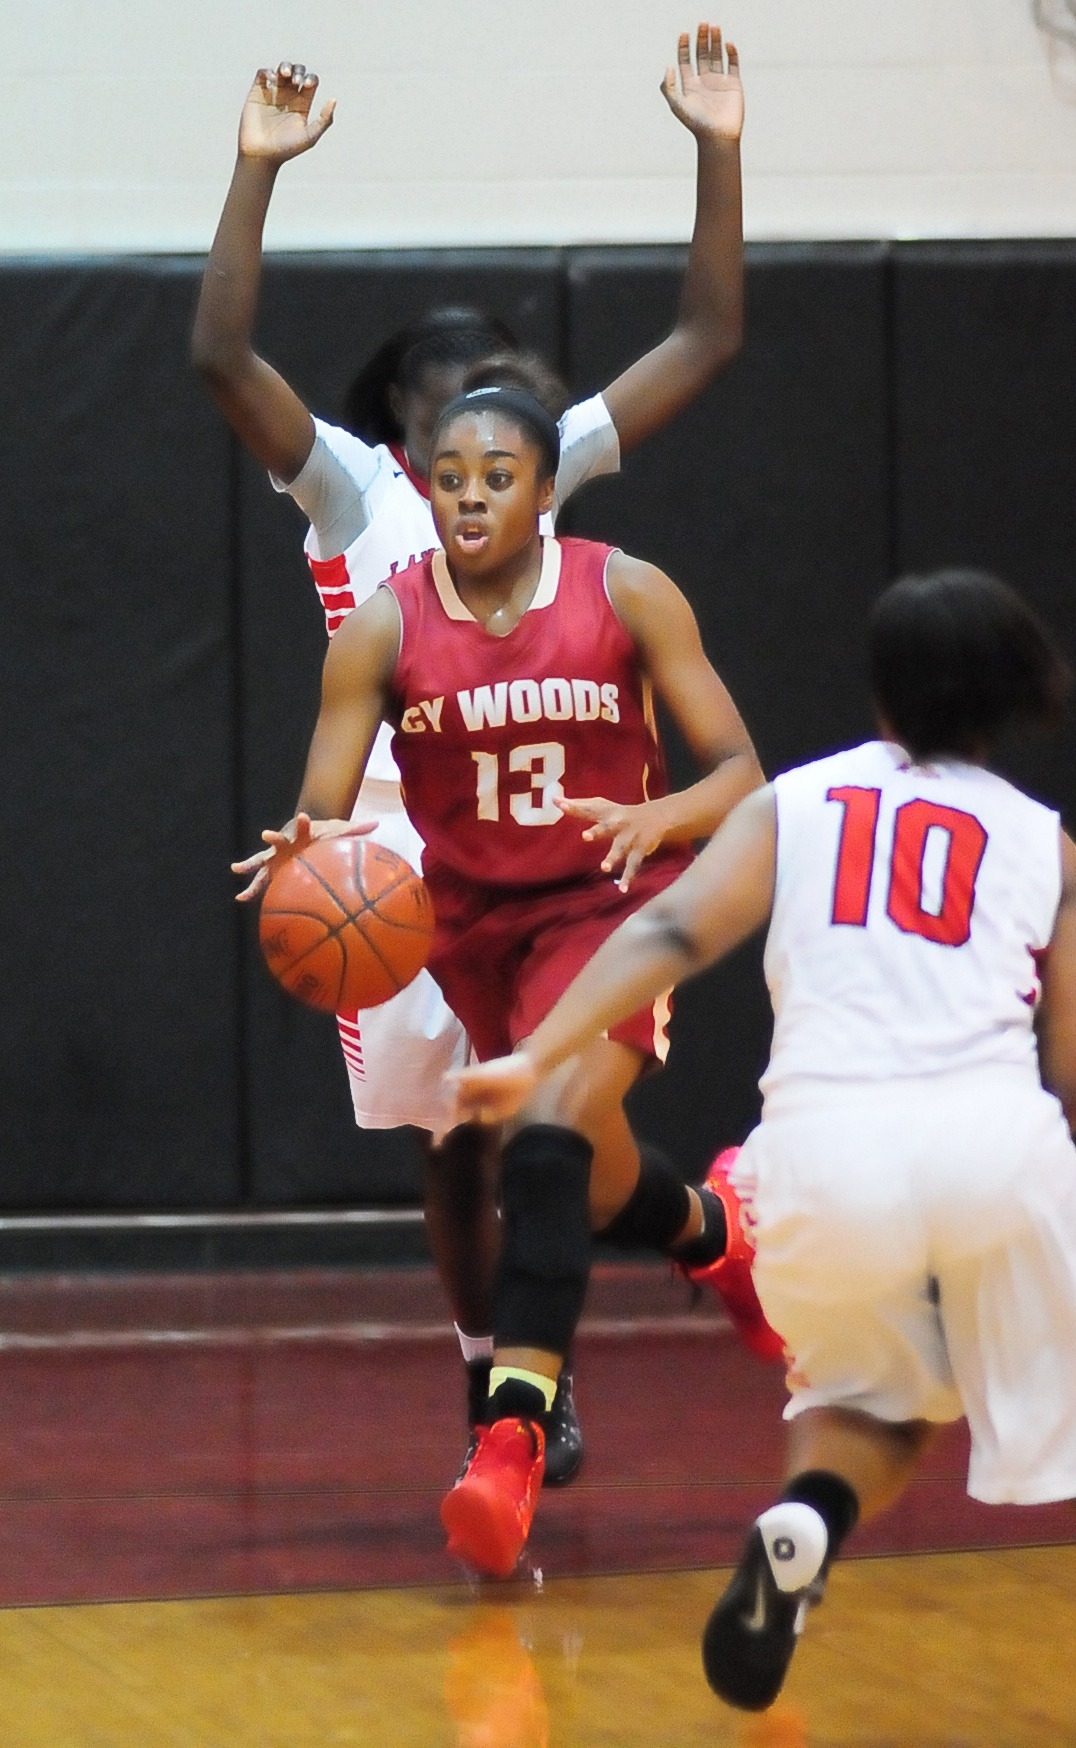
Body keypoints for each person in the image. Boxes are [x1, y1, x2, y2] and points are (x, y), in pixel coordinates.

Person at [194, 28, 748, 1480]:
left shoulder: (553, 474)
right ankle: (487, 1372)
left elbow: (705, 335)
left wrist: (714, 147)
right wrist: (253, 173)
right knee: (449, 1150)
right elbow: (217, 354)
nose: (484, 451)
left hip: (543, 870)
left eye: (507, 423)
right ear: (409, 434)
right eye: (457, 417)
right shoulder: (351, 490)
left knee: (542, 1140)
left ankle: (539, 1371)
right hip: (380, 868)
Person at [448, 567, 1076, 1707]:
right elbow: (1072, 1064)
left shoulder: (793, 801)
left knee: (861, 1400)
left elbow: (674, 926)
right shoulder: (1044, 843)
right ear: (1005, 698)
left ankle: (803, 1519)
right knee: (994, 1381)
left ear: (881, 692)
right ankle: (811, 1524)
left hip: (821, 1161)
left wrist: (534, 1057)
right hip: (994, 1147)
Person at [233, 383, 767, 1575]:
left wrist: (656, 812)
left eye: (499, 475)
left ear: (541, 490)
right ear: (427, 489)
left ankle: (508, 1440)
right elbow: (323, 804)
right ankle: (712, 1230)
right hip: (471, 927)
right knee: (580, 1178)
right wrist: (306, 848)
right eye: (453, 476)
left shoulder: (625, 590)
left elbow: (739, 770)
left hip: (607, 905)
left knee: (537, 1150)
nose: (472, 495)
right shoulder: (381, 627)